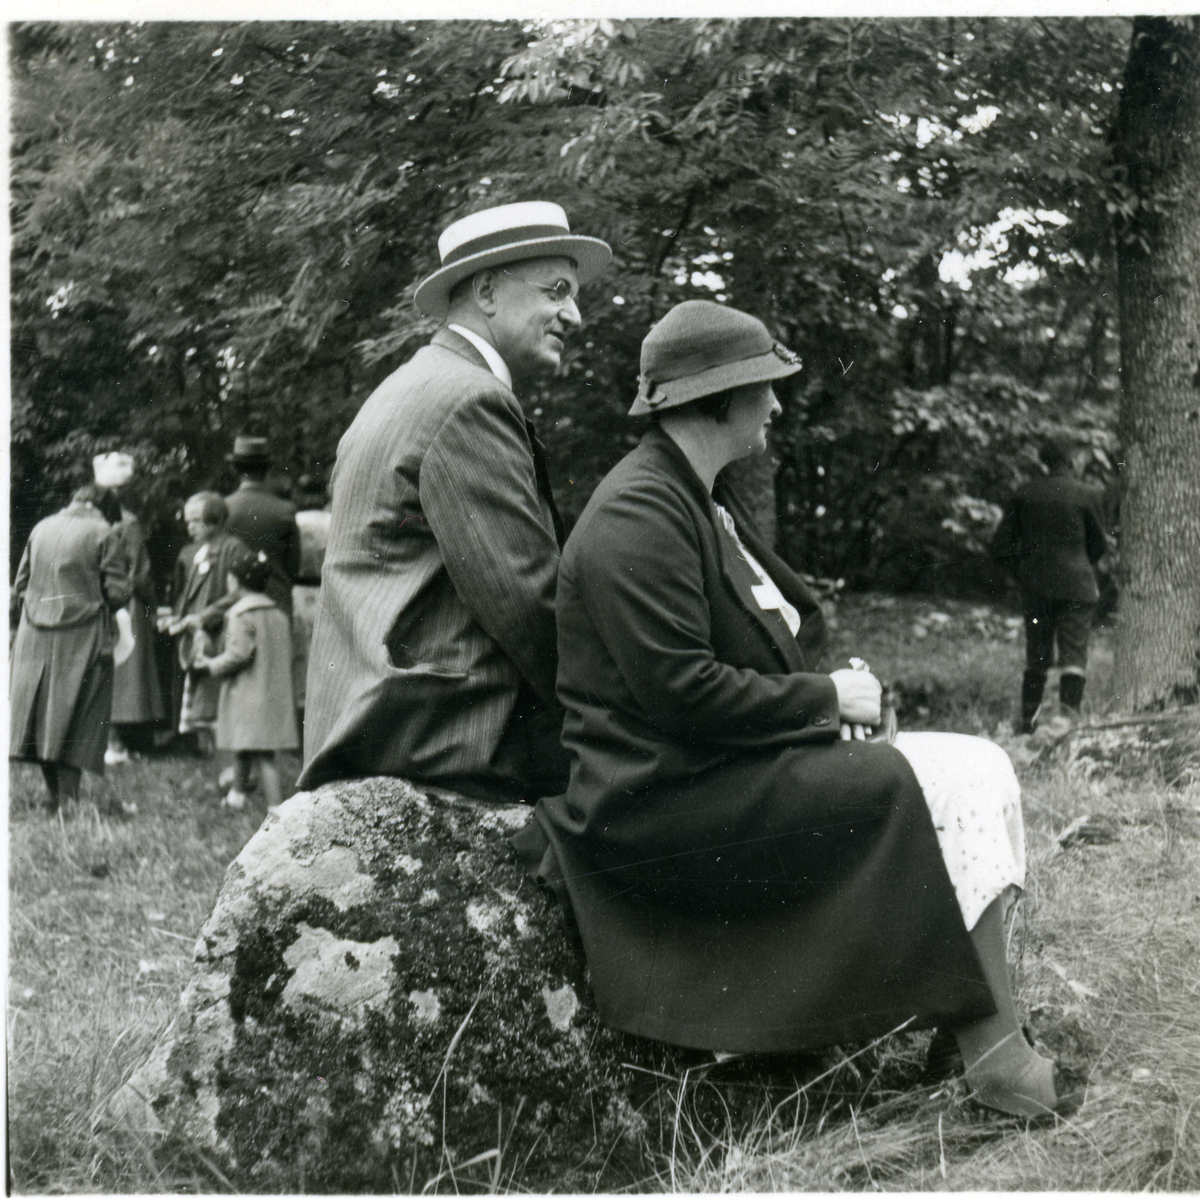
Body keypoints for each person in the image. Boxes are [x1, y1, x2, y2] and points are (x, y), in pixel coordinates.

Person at [513, 301, 1083, 1122]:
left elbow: (765, 632)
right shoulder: (638, 514)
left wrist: (830, 689)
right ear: (718, 397)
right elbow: (681, 692)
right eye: (765, 388)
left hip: (722, 771)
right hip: (664, 804)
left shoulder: (695, 494)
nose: (776, 405)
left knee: (981, 767)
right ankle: (994, 1061)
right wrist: (824, 700)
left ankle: (974, 1027)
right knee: (953, 781)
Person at [300, 201, 611, 800]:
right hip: (438, 739)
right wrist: (628, 709)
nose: (574, 315)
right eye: (557, 291)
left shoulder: (410, 386)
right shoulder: (470, 401)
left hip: (373, 721)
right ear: (488, 290)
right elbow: (529, 605)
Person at [10, 483, 131, 811]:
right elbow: (118, 593)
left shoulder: (41, 527)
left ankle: (55, 796)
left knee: (41, 712)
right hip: (83, 633)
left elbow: (19, 585)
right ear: (105, 509)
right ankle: (69, 800)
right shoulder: (105, 532)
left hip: (34, 634)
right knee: (78, 712)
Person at [992, 437, 1109, 733]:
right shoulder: (1089, 494)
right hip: (1077, 588)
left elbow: (999, 546)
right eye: (1080, 459)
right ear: (1071, 461)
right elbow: (1098, 546)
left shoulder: (1025, 493)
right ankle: (1066, 721)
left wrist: (1024, 573)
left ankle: (1026, 724)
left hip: (1036, 588)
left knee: (1037, 657)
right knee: (1073, 654)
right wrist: (1079, 565)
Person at [193, 555, 299, 814]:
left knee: (262, 752)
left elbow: (238, 654)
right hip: (272, 692)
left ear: (237, 583)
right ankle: (237, 795)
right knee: (245, 745)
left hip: (247, 692)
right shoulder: (278, 613)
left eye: (230, 577)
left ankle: (277, 809)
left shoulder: (239, 614)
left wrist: (210, 664)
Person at [160, 492, 250, 754]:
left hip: (219, 632)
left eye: (196, 521)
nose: (190, 527)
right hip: (194, 635)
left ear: (216, 520)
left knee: (214, 693)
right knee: (194, 690)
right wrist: (175, 617)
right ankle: (197, 744)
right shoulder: (189, 552)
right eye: (187, 521)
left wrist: (203, 617)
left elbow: (238, 593)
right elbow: (182, 595)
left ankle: (219, 749)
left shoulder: (233, 547)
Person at [93, 452, 166, 762]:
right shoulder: (129, 522)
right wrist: (154, 605)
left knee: (106, 669)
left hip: (96, 599)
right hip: (126, 601)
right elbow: (140, 571)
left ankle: (109, 741)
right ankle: (119, 743)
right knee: (126, 671)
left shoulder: (91, 521)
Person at [224, 435, 300, 617]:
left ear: (235, 469)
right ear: (266, 469)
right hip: (276, 603)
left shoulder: (224, 508)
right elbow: (292, 567)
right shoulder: (285, 510)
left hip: (233, 603)